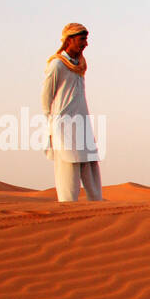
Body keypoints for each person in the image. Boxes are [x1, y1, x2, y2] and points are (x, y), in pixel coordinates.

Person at [41, 22, 102, 202]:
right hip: (64, 125)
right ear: (70, 40)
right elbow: (46, 98)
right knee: (68, 167)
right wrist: (50, 125)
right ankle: (68, 209)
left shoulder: (80, 65)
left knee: (90, 165)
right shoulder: (57, 65)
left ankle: (98, 207)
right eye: (82, 39)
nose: (86, 44)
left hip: (82, 123)